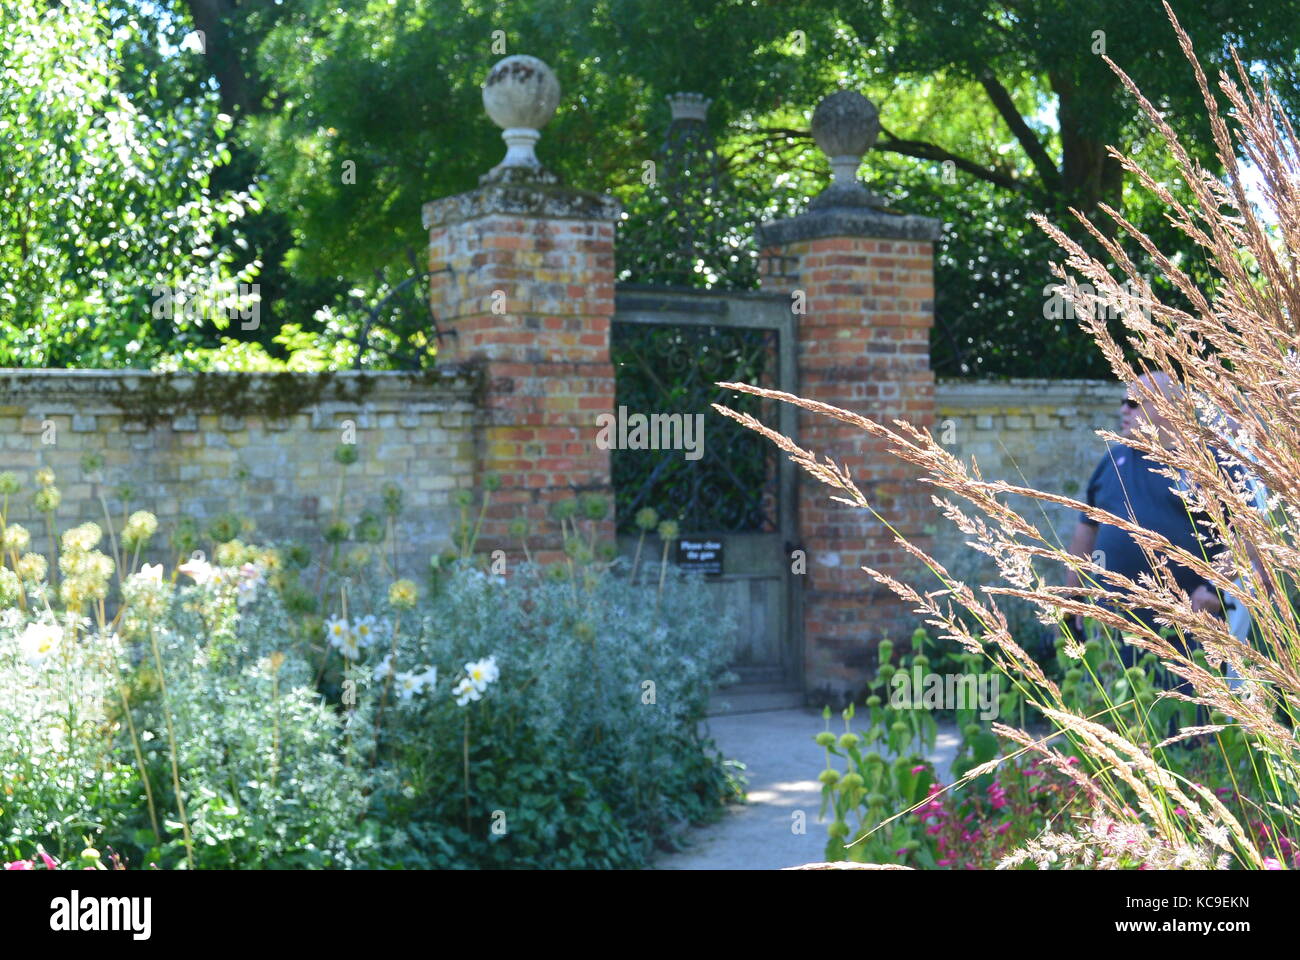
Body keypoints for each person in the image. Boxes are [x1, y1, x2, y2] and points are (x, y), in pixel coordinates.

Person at [1062, 373, 1231, 667]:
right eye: (1123, 402)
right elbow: (1087, 529)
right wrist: (1072, 598)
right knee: (1108, 709)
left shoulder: (1208, 465)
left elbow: (1247, 537)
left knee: (1179, 711)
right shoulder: (1114, 460)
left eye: (1134, 402)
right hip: (1110, 632)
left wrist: (1214, 588)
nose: (1123, 410)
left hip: (1185, 634)